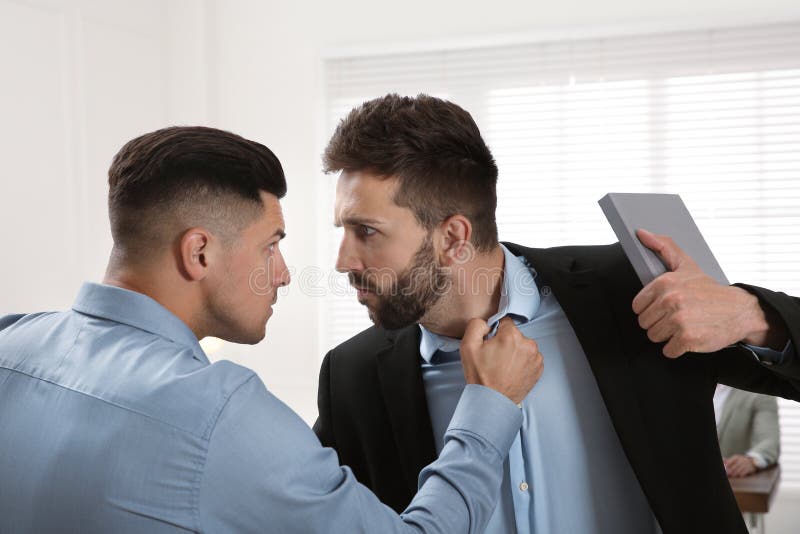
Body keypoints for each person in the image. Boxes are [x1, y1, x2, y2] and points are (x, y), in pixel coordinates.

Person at [0, 126, 544, 533]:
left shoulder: (10, 343)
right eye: (271, 245)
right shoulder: (220, 417)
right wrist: (488, 407)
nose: (285, 274)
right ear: (199, 251)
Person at [313, 94, 800, 534]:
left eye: (366, 231)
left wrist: (749, 315)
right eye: (343, 229)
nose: (342, 260)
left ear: (453, 238)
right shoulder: (352, 377)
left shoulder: (630, 288)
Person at [715, 384, 780, 477]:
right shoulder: (690, 385)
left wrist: (752, 460)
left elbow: (769, 440)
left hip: (732, 481)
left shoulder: (760, 391)